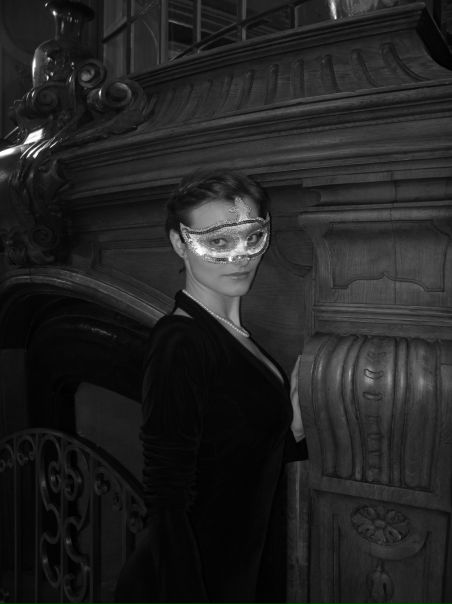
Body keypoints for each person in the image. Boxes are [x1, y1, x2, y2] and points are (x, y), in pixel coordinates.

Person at [115, 169, 308, 604]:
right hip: (197, 577)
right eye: (218, 242)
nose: (240, 257)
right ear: (180, 243)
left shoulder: (232, 335)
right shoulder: (180, 342)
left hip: (236, 562)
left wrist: (292, 428)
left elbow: (230, 459)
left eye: (252, 237)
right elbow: (167, 496)